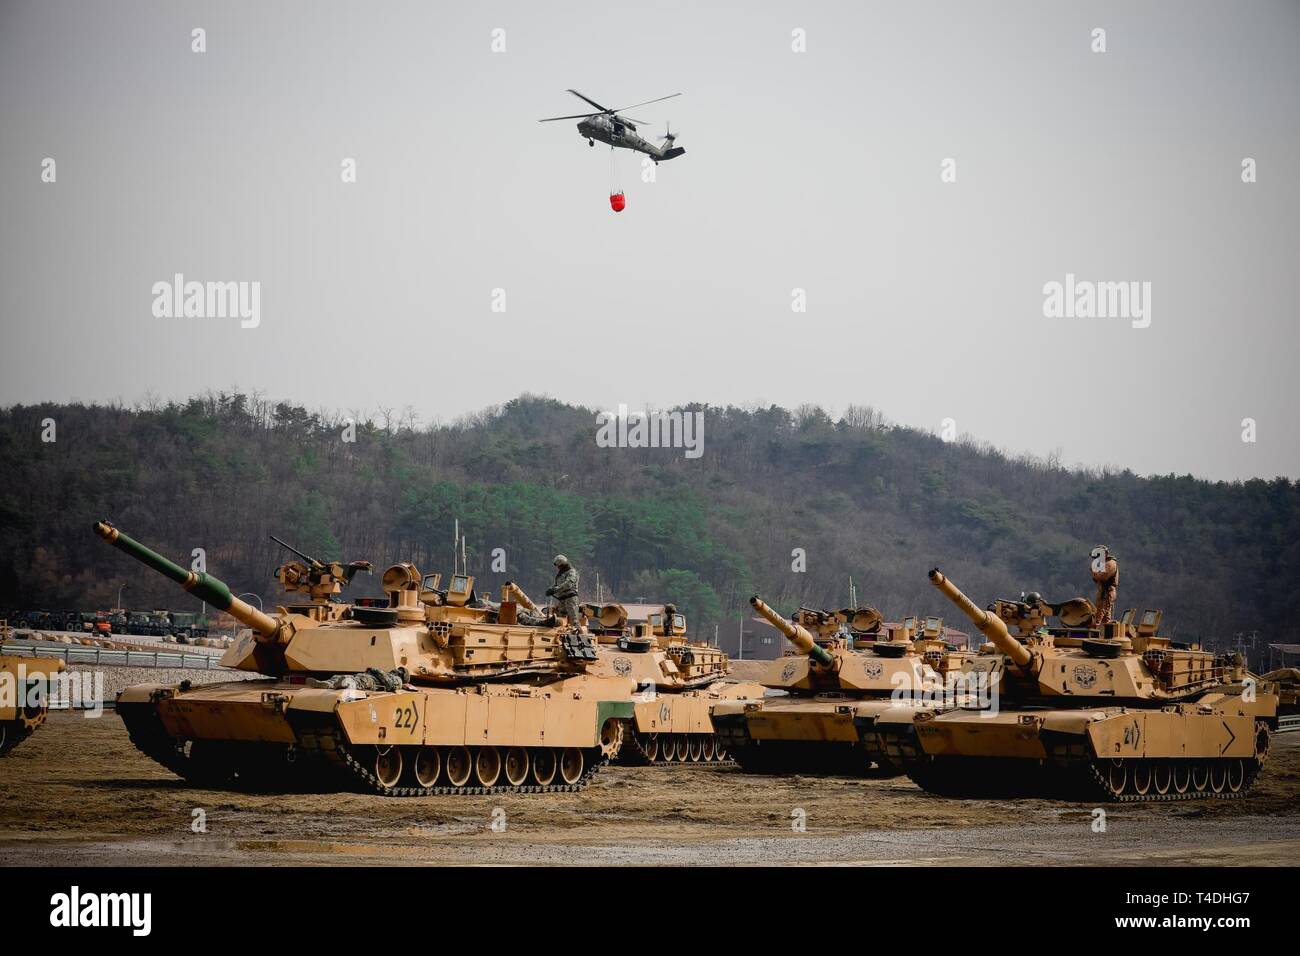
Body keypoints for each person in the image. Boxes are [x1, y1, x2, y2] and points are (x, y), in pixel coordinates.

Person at [545, 555, 582, 627]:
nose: (558, 568)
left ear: (563, 564)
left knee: (574, 619)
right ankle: (560, 635)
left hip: (570, 599)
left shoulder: (572, 572)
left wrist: (555, 590)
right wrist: (550, 589)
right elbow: (556, 584)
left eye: (559, 566)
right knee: (559, 620)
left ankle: (579, 634)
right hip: (562, 599)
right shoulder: (561, 574)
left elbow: (568, 584)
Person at [1091, 546, 1119, 626]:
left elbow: (1102, 576)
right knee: (1105, 617)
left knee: (1099, 613)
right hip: (1103, 591)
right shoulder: (1103, 563)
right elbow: (1096, 577)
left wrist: (1095, 572)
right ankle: (1104, 631)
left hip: (1107, 592)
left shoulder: (1110, 563)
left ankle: (1096, 631)